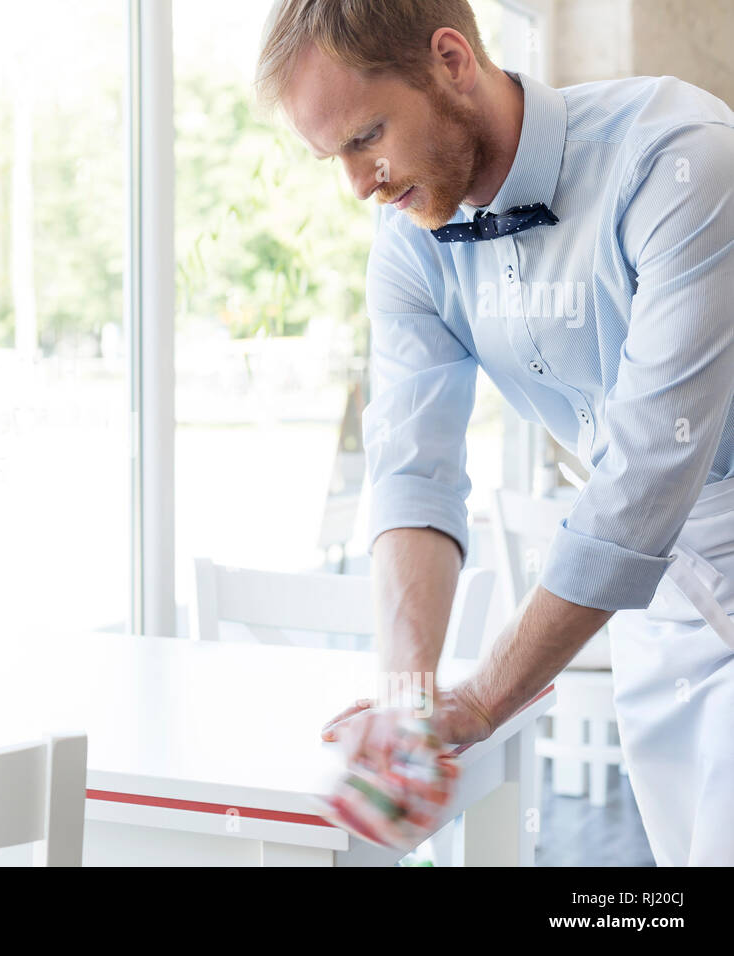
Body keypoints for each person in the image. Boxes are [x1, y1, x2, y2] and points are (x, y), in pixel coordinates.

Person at [254, 0, 734, 866]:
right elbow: (412, 469)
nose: (358, 184)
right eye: (336, 158)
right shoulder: (409, 239)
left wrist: (479, 700)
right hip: (651, 609)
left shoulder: (681, 157)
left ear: (451, 61)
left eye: (367, 137)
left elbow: (644, 480)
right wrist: (407, 704)